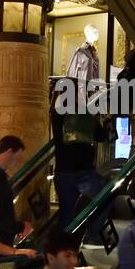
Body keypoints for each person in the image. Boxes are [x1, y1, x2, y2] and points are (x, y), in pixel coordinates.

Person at [51, 89, 109, 232]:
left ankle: (64, 246)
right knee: (104, 197)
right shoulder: (83, 113)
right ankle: (93, 233)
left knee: (67, 211)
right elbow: (101, 136)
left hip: (62, 172)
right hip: (83, 172)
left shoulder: (56, 113)